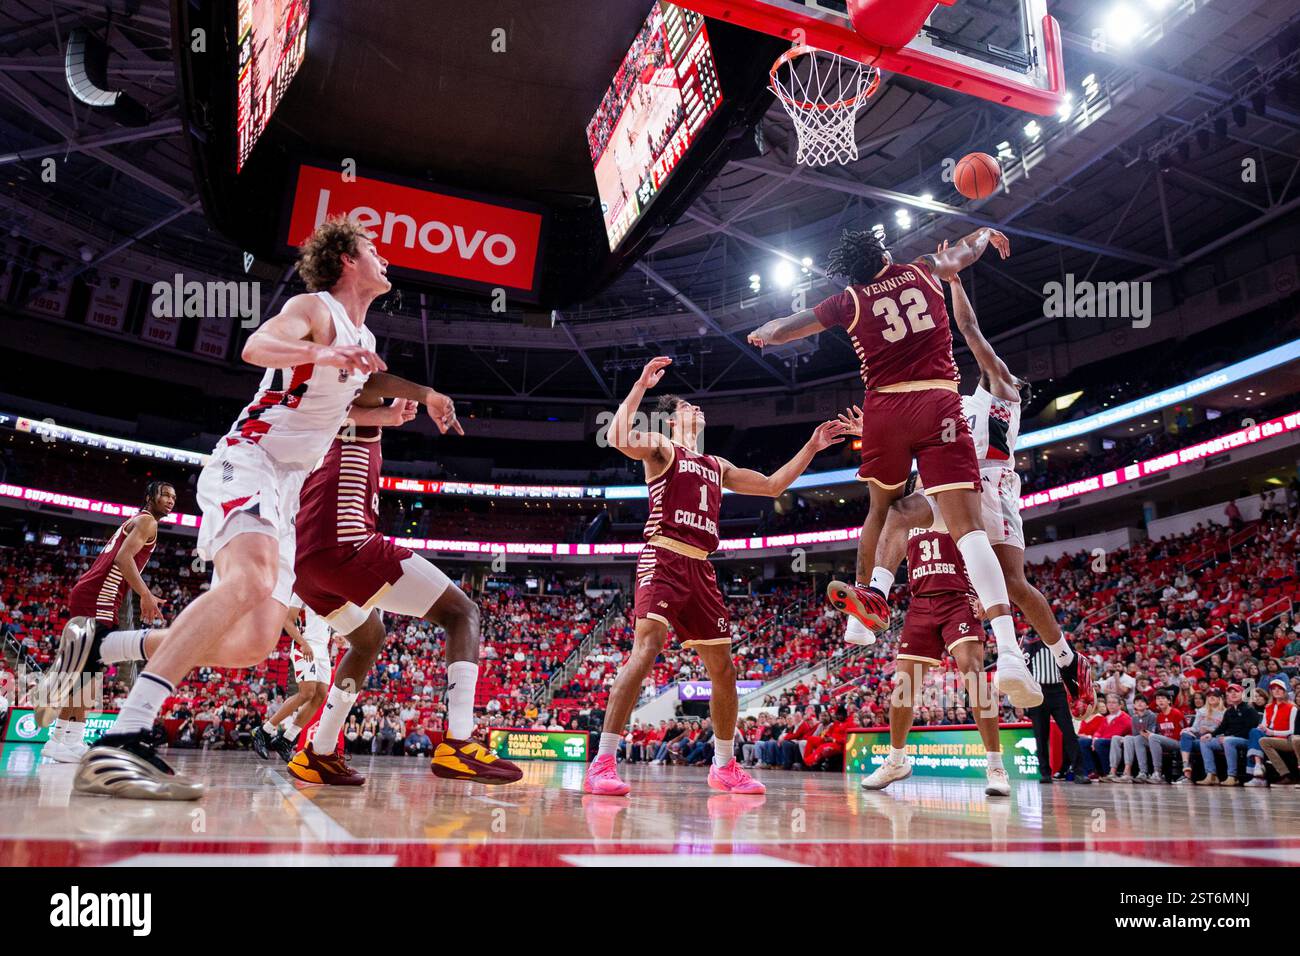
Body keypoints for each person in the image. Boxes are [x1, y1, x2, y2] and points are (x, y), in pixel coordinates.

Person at [73, 217, 464, 800]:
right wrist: (326, 349)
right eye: (371, 248)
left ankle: (103, 648)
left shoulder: (367, 340)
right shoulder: (315, 307)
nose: (384, 258)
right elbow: (256, 345)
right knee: (251, 579)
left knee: (252, 644)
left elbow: (330, 412)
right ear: (346, 261)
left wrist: (392, 411)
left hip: (284, 487)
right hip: (249, 459)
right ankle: (123, 739)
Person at [746, 228, 1042, 710]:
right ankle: (1009, 650)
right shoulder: (922, 267)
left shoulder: (849, 300)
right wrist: (984, 235)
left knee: (883, 511)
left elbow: (788, 327)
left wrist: (765, 333)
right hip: (937, 402)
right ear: (882, 254)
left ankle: (865, 611)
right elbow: (963, 256)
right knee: (969, 533)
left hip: (884, 409)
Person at [584, 356, 847, 796]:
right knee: (646, 649)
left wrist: (812, 447)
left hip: (701, 568)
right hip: (663, 557)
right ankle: (604, 760)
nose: (697, 409)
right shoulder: (661, 448)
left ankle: (724, 766)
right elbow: (615, 436)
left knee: (723, 669)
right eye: (688, 405)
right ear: (671, 421)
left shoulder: (716, 464)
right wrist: (640, 386)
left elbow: (771, 486)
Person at [831, 266, 1088, 702]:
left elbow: (968, 329)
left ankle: (1065, 658)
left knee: (1014, 585)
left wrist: (953, 281)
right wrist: (873, 428)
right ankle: (875, 596)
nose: (999, 370)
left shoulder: (1005, 392)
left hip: (993, 488)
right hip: (950, 487)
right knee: (897, 512)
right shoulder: (956, 402)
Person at [285, 397, 520, 787]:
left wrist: (392, 411)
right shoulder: (354, 414)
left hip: (307, 564)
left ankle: (320, 753)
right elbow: (370, 382)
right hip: (347, 544)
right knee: (462, 613)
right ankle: (460, 741)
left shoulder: (326, 428)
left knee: (367, 639)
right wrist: (427, 395)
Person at [859, 506, 1011, 797]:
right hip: (920, 604)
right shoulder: (906, 514)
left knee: (974, 675)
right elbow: (886, 547)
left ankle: (995, 765)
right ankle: (896, 760)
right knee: (903, 686)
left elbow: (987, 553)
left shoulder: (959, 505)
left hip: (958, 600)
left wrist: (986, 594)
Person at [36, 481, 177, 763]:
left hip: (96, 596)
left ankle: (66, 737)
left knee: (90, 672)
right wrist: (145, 595)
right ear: (150, 497)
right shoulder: (148, 522)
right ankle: (60, 738)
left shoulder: (139, 521)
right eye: (165, 494)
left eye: (174, 497)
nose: (171, 500)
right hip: (97, 599)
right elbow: (124, 559)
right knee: (88, 674)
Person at [253, 605, 330, 762]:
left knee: (320, 695)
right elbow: (288, 621)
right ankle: (264, 730)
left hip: (323, 649)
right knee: (307, 692)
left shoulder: (330, 592)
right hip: (306, 645)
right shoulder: (301, 591)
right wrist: (303, 643)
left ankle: (287, 739)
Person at [1024, 632, 1088, 784]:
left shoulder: (1061, 643)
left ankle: (1079, 772)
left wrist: (1075, 691)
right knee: (1040, 735)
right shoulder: (1030, 644)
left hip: (1059, 692)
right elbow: (1023, 669)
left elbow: (1073, 664)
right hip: (1038, 692)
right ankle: (1045, 773)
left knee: (1069, 732)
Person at [1196, 683, 1259, 785]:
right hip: (1229, 739)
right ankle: (1211, 775)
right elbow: (1222, 727)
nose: (1233, 694)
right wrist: (1211, 735)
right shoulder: (1229, 711)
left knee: (1228, 741)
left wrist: (1230, 736)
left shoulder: (1249, 710)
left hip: (1245, 740)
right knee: (1205, 741)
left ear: (1243, 694)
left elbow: (1250, 729)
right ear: (1227, 696)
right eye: (1230, 692)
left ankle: (1232, 776)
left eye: (1236, 691)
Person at [1247, 677, 1297, 787]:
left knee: (1258, 737)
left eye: (1279, 689)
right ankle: (1258, 765)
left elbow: (1292, 731)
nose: (1276, 691)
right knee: (1255, 731)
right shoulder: (1268, 707)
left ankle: (1257, 770)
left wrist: (1272, 732)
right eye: (1273, 689)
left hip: (1285, 738)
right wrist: (1263, 728)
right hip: (1269, 736)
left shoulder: (1292, 708)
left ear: (1284, 691)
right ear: (1271, 692)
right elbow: (1264, 725)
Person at [1108, 695, 1155, 783]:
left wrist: (1131, 737)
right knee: (1115, 738)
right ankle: (1112, 771)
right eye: (1137, 702)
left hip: (1149, 740)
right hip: (1137, 738)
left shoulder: (1152, 716)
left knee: (1128, 738)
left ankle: (1127, 772)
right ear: (1134, 705)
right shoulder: (1134, 717)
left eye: (1142, 702)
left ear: (1147, 705)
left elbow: (1151, 733)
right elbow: (1135, 734)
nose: (1139, 703)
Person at [1146, 690, 1185, 784]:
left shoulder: (1176, 713)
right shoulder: (1159, 716)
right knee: (1141, 739)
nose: (1160, 701)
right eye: (1158, 699)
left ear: (1169, 701)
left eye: (1163, 698)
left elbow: (1184, 732)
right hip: (1166, 742)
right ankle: (1142, 772)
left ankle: (1157, 773)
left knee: (1153, 737)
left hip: (1179, 742)